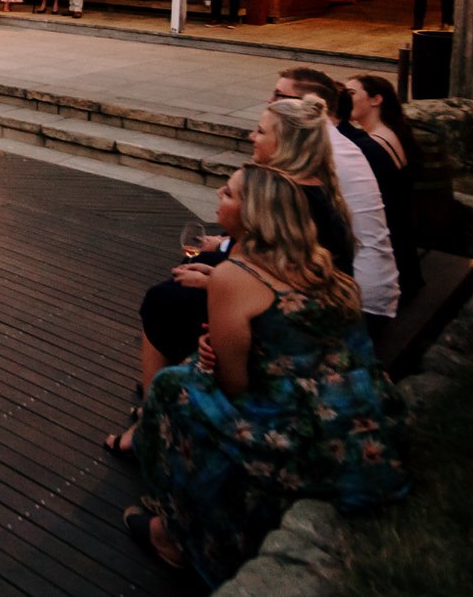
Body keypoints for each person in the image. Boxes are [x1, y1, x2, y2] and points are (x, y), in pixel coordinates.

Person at [127, 165, 409, 582]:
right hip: (363, 419)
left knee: (173, 386)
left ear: (252, 216)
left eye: (229, 192)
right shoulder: (324, 268)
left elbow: (234, 384)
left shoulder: (233, 277)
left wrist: (211, 357)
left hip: (298, 434)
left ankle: (176, 532)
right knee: (190, 369)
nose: (219, 193)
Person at [275, 68, 401, 321]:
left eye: (279, 97)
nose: (270, 104)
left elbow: (286, 234)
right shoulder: (332, 141)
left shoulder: (319, 151)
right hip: (365, 280)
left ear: (307, 105)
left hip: (357, 297)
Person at [341, 74, 425, 298]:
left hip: (388, 249)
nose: (344, 101)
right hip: (400, 242)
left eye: (350, 94)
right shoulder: (389, 132)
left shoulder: (376, 144)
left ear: (375, 100)